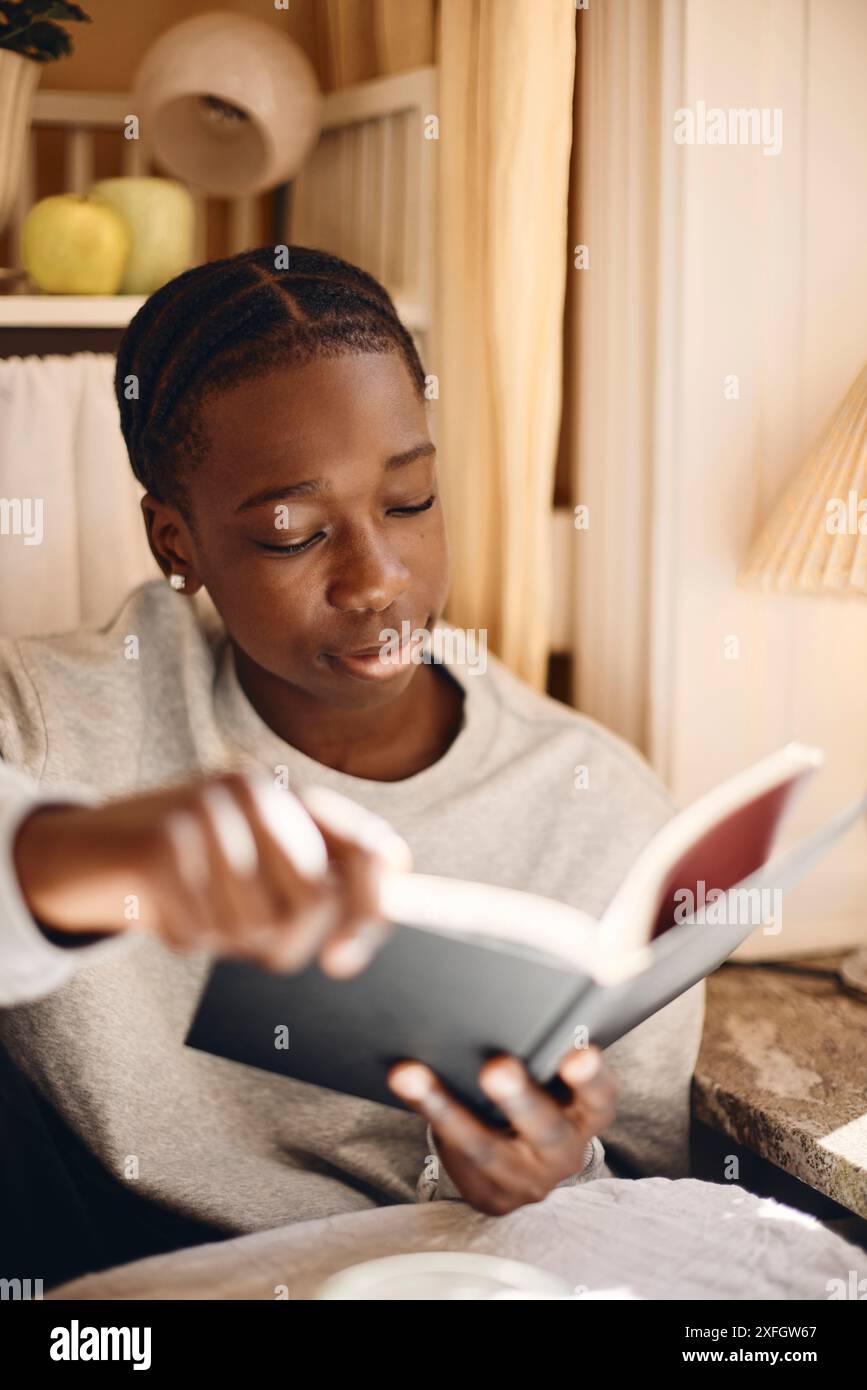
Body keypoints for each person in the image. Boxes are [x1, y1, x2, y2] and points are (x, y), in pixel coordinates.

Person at [0, 246, 703, 1291]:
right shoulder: (49, 713)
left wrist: (544, 1170)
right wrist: (81, 859)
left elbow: (644, 1203)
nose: (377, 580)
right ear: (176, 541)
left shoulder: (595, 808)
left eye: (409, 501)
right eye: (292, 532)